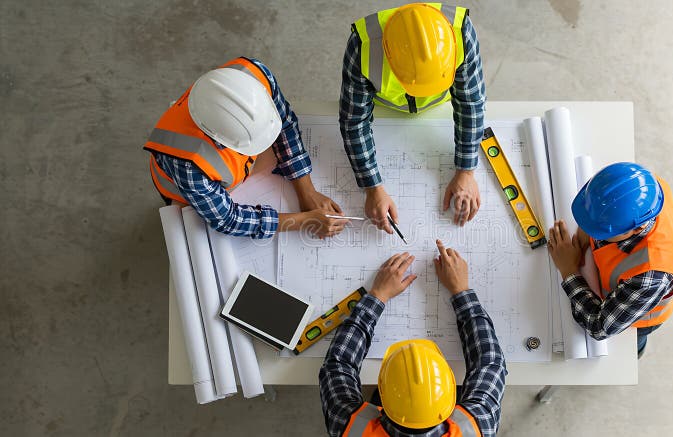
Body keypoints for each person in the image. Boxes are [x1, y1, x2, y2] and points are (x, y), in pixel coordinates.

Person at [144, 56, 349, 239]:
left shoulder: (253, 75)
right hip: (185, 194)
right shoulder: (188, 163)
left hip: (228, 171)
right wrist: (304, 221)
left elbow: (284, 126)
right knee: (188, 233)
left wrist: (307, 191)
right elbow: (228, 220)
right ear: (220, 140)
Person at [319, 241, 507, 436]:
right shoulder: (477, 426)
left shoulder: (349, 426)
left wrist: (378, 294)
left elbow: (338, 364)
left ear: (382, 387)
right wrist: (461, 291)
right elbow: (490, 362)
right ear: (450, 384)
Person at [339, 3, 486, 232]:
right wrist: (372, 187)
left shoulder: (461, 32)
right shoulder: (363, 47)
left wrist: (466, 171)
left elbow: (470, 102)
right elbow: (354, 122)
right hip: (387, 115)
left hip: (438, 112)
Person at [547, 162, 673, 357]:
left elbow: (598, 326)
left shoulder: (651, 276)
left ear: (636, 229)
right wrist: (584, 236)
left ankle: (638, 351)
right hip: (629, 288)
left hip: (639, 315)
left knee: (631, 349)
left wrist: (569, 270)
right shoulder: (643, 186)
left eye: (600, 230)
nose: (590, 230)